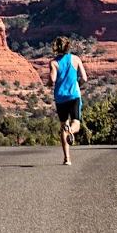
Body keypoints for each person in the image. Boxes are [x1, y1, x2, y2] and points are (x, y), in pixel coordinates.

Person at [48, 36, 86, 166]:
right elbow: (84, 78)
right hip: (74, 96)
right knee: (76, 123)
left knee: (63, 125)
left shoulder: (53, 62)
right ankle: (71, 130)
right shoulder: (76, 59)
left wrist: (48, 82)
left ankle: (67, 158)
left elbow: (52, 80)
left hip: (60, 97)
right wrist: (77, 85)